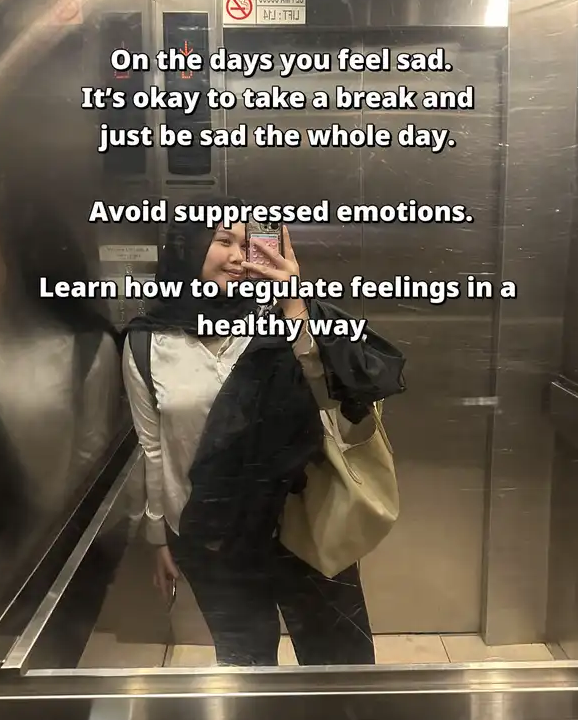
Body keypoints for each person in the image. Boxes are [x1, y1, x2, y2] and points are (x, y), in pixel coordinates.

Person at [122, 195, 392, 667]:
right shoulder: (146, 343)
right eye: (223, 240)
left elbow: (333, 395)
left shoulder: (278, 320)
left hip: (300, 518)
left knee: (339, 660)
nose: (237, 256)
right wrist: (159, 537)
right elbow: (153, 449)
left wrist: (294, 302)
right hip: (211, 532)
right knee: (244, 663)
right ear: (188, 246)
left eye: (248, 245)